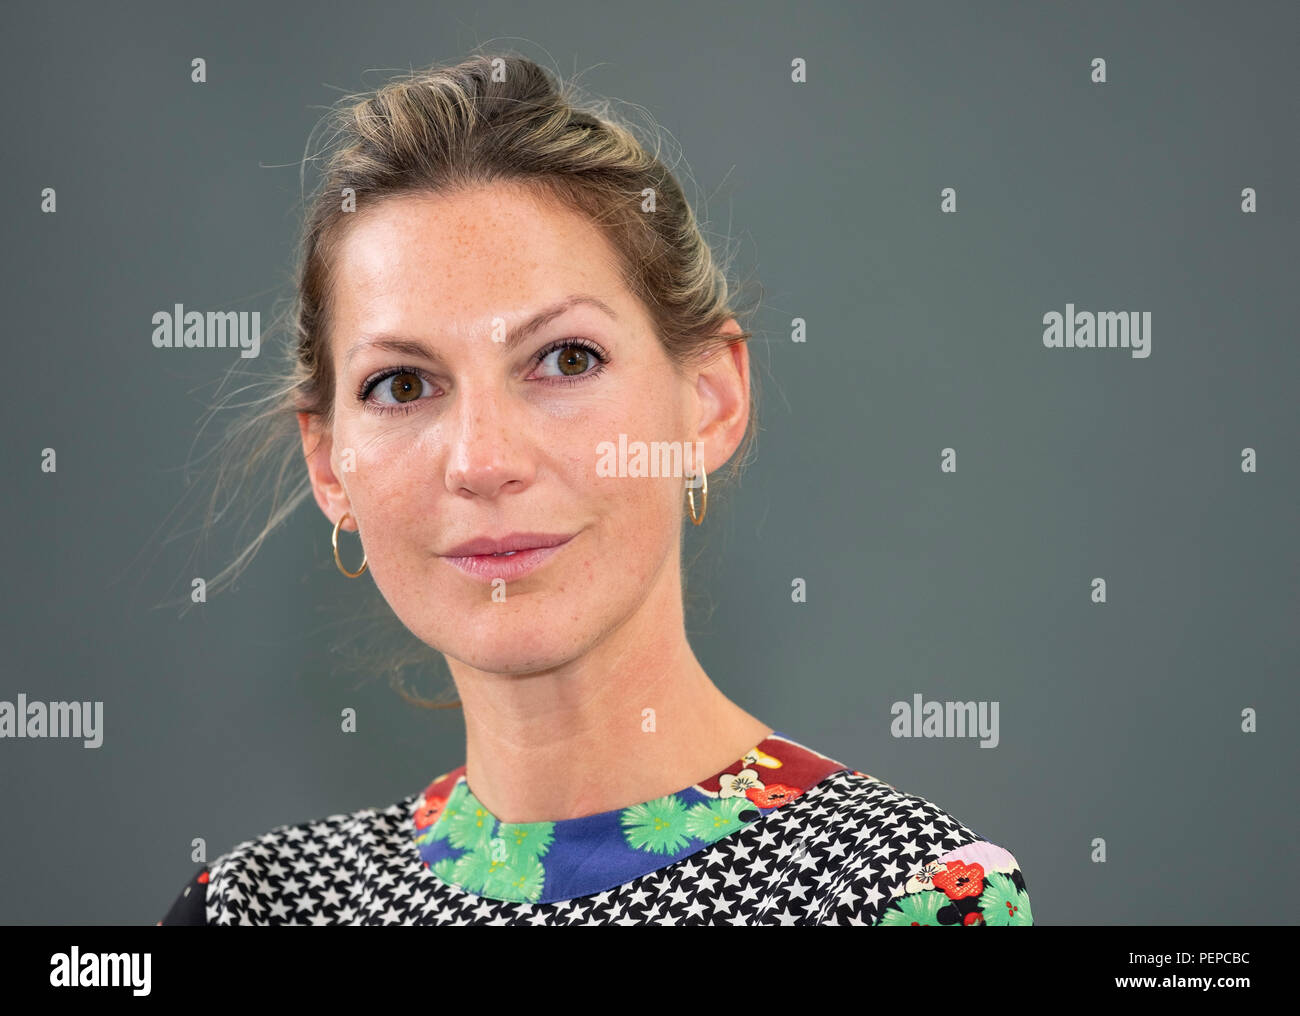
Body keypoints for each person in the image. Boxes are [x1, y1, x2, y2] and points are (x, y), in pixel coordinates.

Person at [157, 51, 1031, 926]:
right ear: (328, 463)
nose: (482, 460)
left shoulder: (911, 897)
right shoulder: (252, 908)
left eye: (565, 360)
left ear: (710, 402)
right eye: (402, 385)